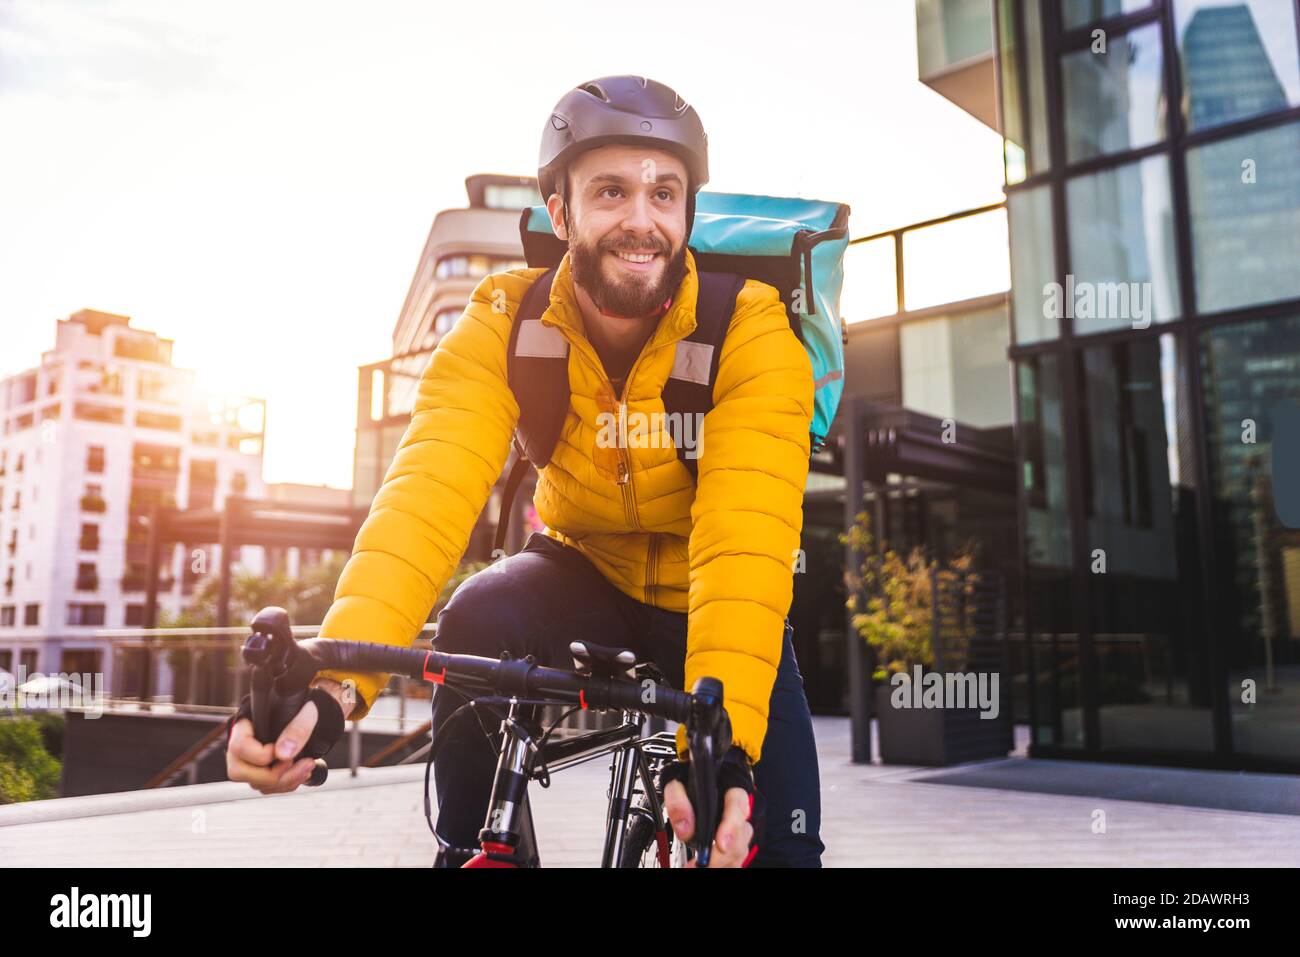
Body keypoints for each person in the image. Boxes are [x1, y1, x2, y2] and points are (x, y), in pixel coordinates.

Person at [227, 75, 824, 868]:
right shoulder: (504, 320)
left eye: (665, 193)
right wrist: (336, 688)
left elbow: (743, 544)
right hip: (583, 570)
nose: (641, 220)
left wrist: (722, 751)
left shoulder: (750, 330)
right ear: (561, 211)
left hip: (715, 601)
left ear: (687, 211)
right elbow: (422, 501)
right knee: (476, 613)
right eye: (611, 191)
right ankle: (477, 847)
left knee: (775, 848)